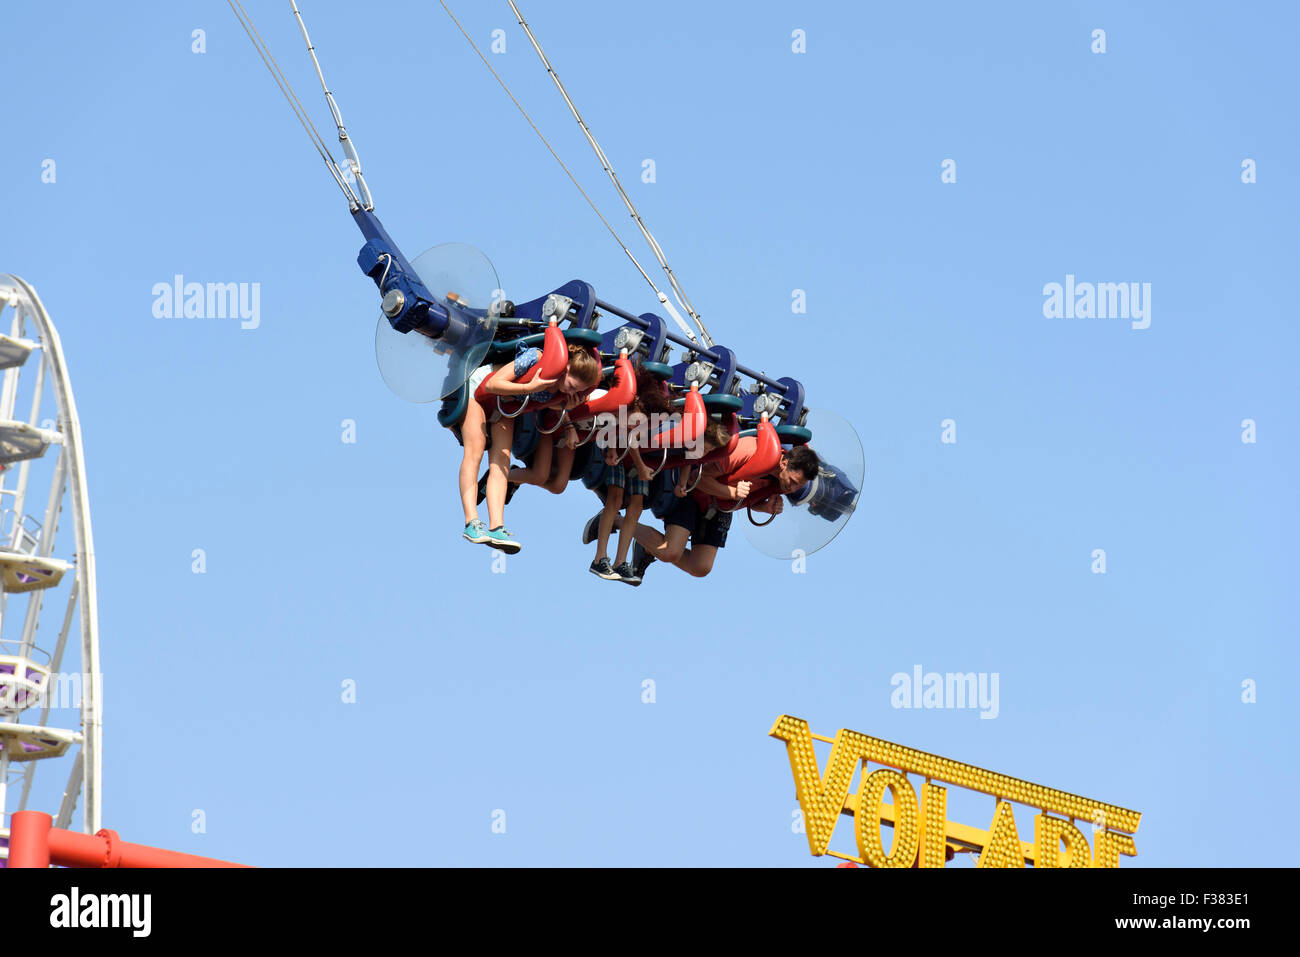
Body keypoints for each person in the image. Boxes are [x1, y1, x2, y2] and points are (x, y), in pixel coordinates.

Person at [458, 342, 600, 552]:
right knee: (475, 451)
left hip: (505, 404)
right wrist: (528, 388)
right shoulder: (536, 357)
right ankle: (472, 522)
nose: (572, 391)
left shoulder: (561, 388)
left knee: (501, 462)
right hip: (480, 390)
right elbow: (492, 384)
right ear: (567, 368)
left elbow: (544, 399)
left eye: (578, 390)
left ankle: (497, 527)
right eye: (572, 386)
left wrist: (566, 410)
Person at [629, 438, 820, 581]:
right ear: (784, 463)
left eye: (798, 486)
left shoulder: (778, 479)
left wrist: (764, 507)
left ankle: (647, 546)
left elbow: (749, 499)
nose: (791, 489)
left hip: (716, 506)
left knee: (700, 568)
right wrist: (731, 492)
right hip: (689, 494)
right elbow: (696, 477)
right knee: (670, 552)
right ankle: (618, 521)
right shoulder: (749, 450)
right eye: (793, 482)